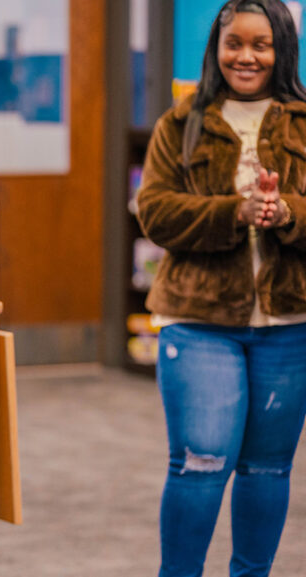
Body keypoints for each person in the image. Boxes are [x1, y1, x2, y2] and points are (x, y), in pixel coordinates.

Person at [137, 1, 306, 575]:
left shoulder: (305, 121)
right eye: (234, 42)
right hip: (200, 322)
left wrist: (287, 212)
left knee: (267, 470)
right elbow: (155, 213)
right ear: (216, 47)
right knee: (201, 463)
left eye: (262, 44)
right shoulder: (179, 124)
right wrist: (233, 213)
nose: (247, 56)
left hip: (289, 326)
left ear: (282, 49)